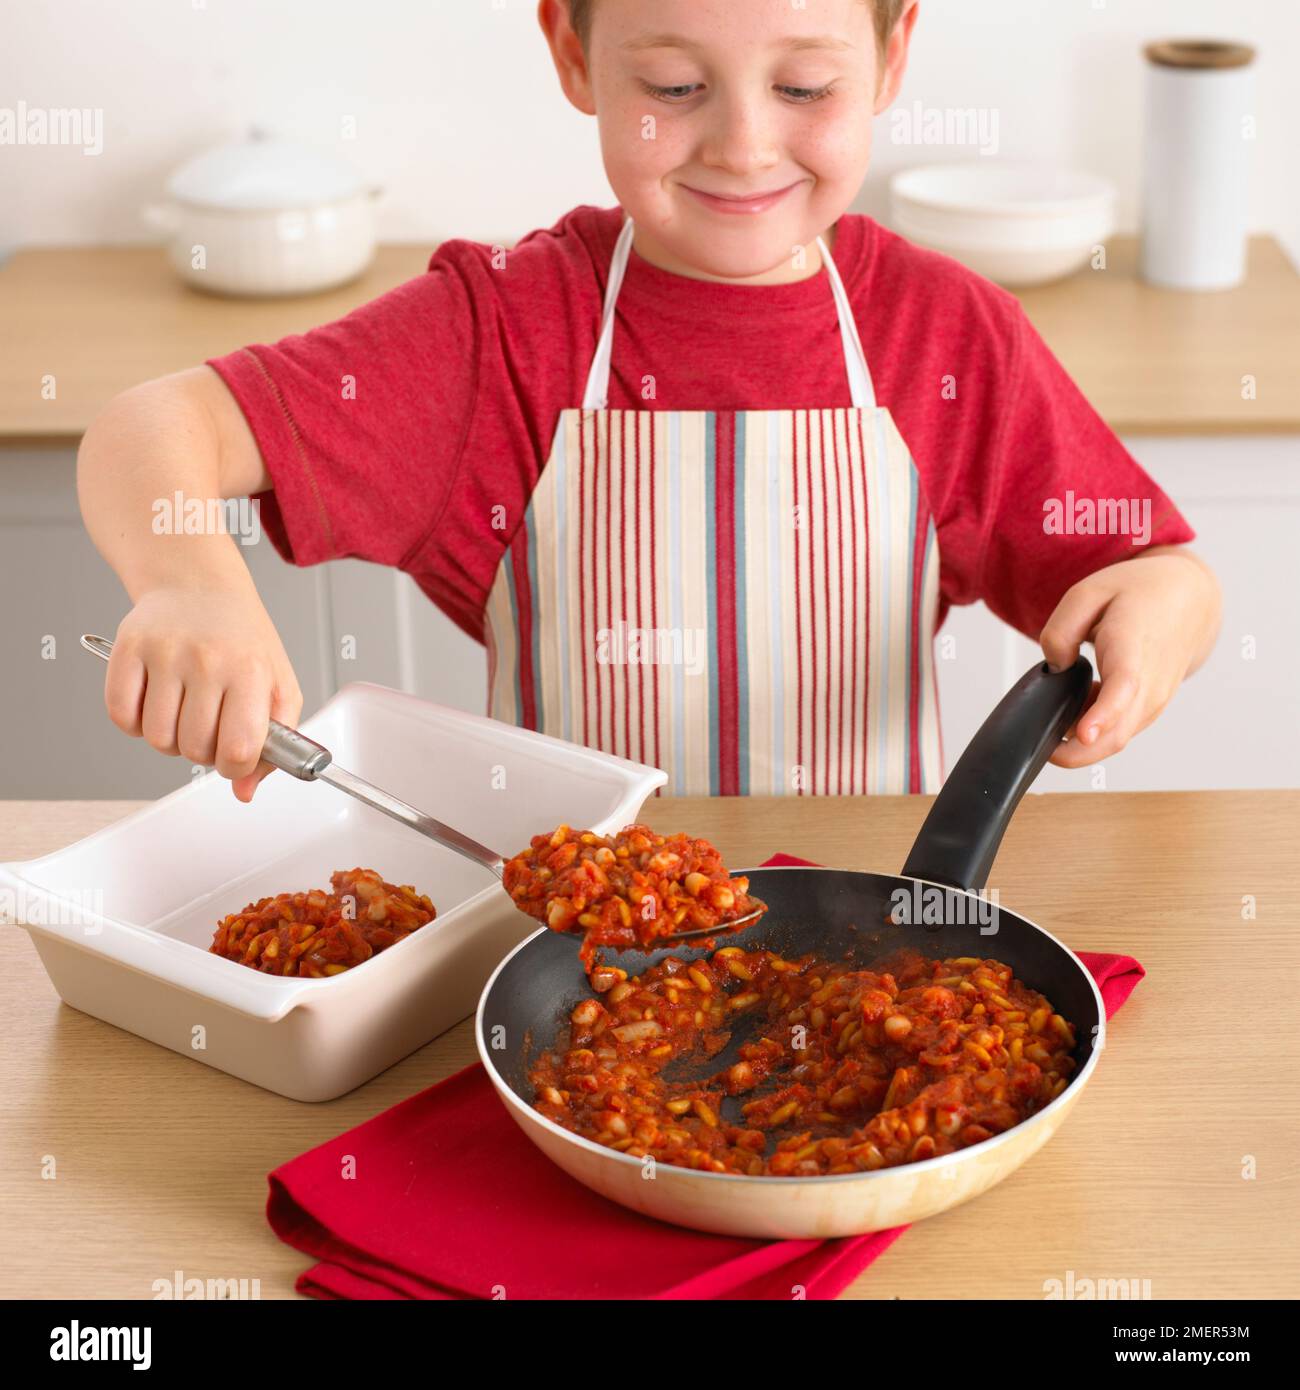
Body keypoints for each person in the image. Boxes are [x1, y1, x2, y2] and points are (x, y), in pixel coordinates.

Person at [77, 0, 1221, 801]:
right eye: (673, 87)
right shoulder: (505, 335)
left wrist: (1166, 612)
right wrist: (191, 589)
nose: (740, 143)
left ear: (893, 51)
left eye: (805, 85)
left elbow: (1153, 572)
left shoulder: (943, 337)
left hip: (878, 957)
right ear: (572, 52)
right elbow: (152, 429)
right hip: (563, 973)